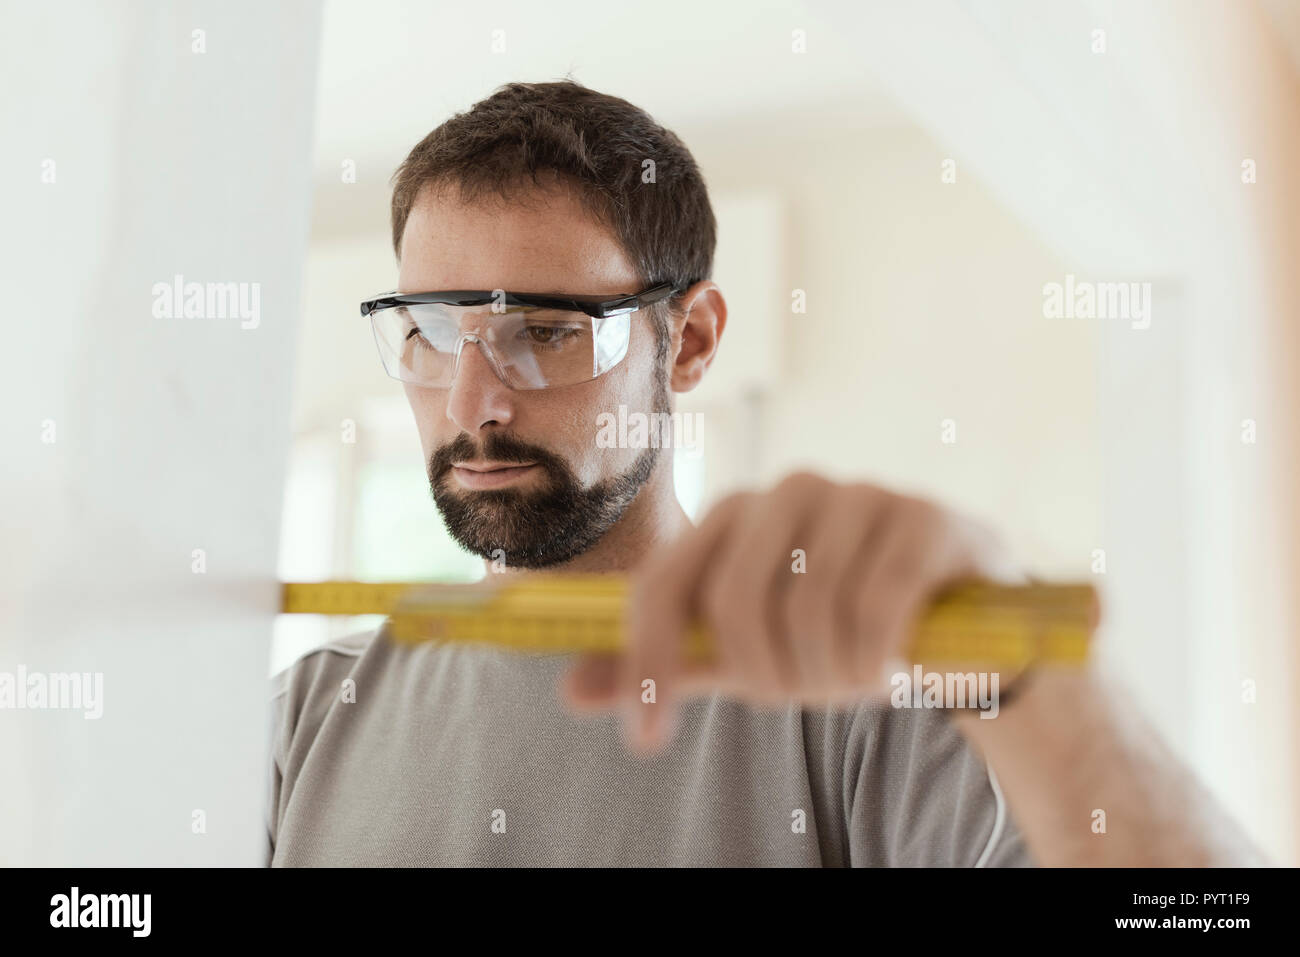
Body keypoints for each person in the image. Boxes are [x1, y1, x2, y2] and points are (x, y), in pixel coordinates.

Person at [266, 79, 1262, 867]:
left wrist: (1038, 681)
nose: (470, 402)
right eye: (433, 334)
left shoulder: (867, 699)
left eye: (547, 331)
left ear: (691, 340)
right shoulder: (305, 717)